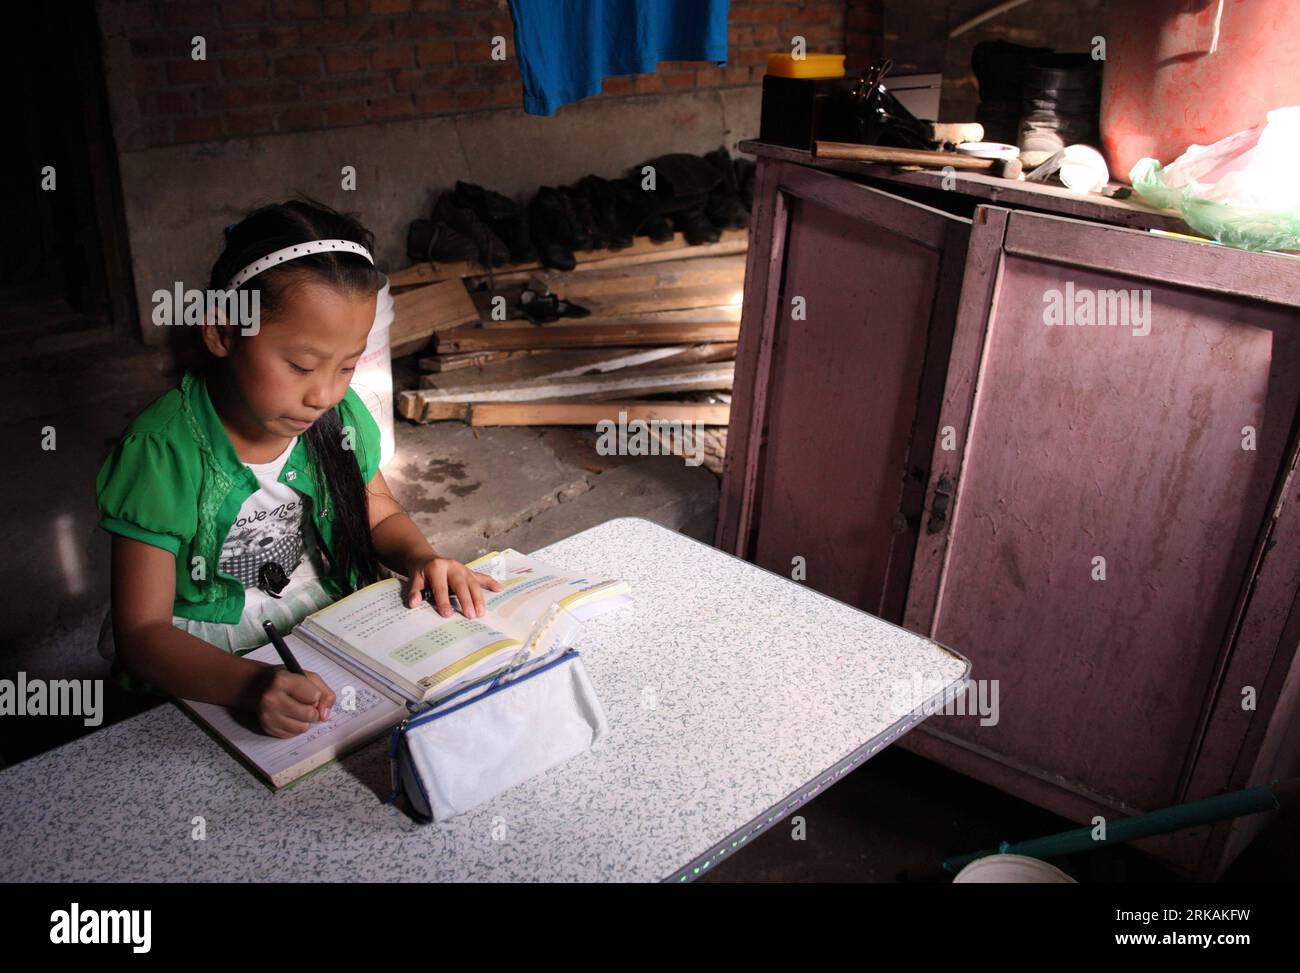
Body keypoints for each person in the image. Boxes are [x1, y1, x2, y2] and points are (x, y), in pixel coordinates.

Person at [96, 198, 501, 738]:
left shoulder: (338, 416)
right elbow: (141, 633)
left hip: (325, 622)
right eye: (302, 366)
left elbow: (377, 513)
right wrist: (248, 686)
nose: (326, 393)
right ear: (221, 332)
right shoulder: (161, 450)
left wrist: (423, 557)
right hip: (206, 654)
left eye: (348, 365)